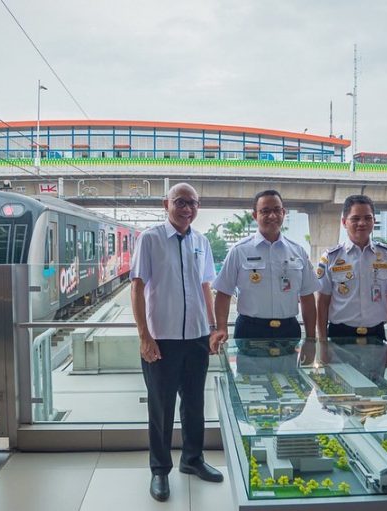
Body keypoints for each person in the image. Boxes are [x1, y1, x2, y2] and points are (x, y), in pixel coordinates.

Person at [130, 183, 223, 503]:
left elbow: (205, 286)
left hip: (197, 337)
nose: (187, 209)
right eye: (181, 202)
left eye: (193, 203)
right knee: (161, 407)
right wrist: (144, 336)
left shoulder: (201, 241)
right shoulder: (151, 239)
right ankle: (160, 470)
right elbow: (137, 287)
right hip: (162, 340)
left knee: (195, 404)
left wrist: (212, 328)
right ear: (166, 204)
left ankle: (192, 459)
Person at [212, 190, 319, 354]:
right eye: (265, 211)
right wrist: (221, 328)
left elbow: (307, 297)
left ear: (284, 213)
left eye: (277, 210)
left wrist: (311, 338)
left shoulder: (298, 251)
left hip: (288, 331)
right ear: (255, 215)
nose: (272, 216)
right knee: (250, 378)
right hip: (250, 331)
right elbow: (223, 293)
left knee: (289, 378)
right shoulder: (239, 250)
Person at [316, 195, 387, 379]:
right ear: (344, 222)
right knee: (341, 394)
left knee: (373, 395)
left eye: (367, 218)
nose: (361, 223)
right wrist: (322, 343)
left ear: (374, 221)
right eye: (355, 218)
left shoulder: (386, 256)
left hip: (376, 337)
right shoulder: (331, 257)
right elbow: (322, 303)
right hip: (339, 337)